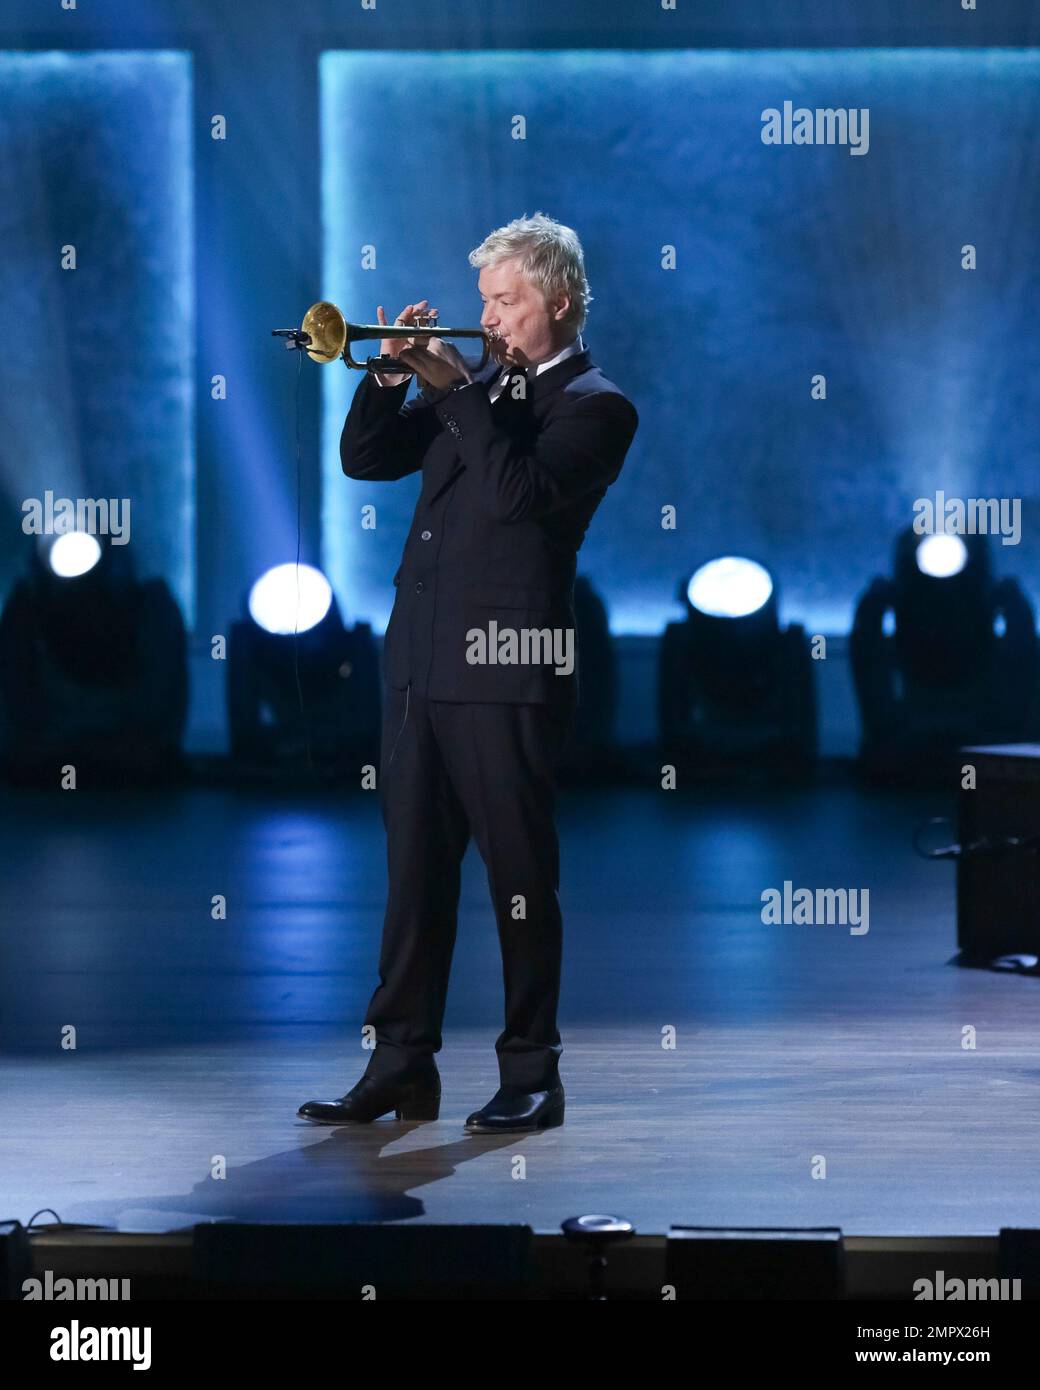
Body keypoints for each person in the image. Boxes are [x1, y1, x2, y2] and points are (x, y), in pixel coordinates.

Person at [298, 213, 638, 1132]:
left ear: (557, 301)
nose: (485, 319)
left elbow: (516, 497)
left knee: (519, 879)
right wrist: (385, 372)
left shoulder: (596, 406)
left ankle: (534, 1073)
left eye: (505, 301)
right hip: (417, 665)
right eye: (483, 300)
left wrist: (456, 392)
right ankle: (401, 1063)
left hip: (507, 666)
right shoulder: (479, 388)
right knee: (413, 876)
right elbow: (367, 460)